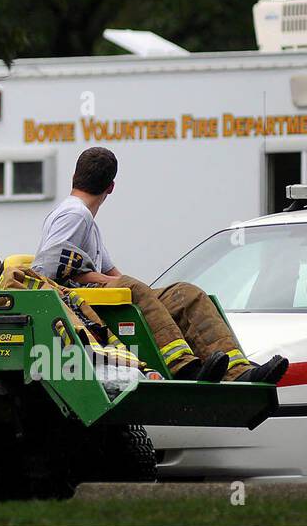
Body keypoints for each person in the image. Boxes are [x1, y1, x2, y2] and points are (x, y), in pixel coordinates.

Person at [32, 147, 288, 384]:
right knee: (131, 287)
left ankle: (239, 371)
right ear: (111, 187)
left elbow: (110, 273)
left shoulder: (86, 220)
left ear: (74, 176)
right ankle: (185, 368)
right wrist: (121, 286)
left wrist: (148, 295)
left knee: (185, 294)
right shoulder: (74, 214)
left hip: (94, 300)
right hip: (80, 308)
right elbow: (48, 271)